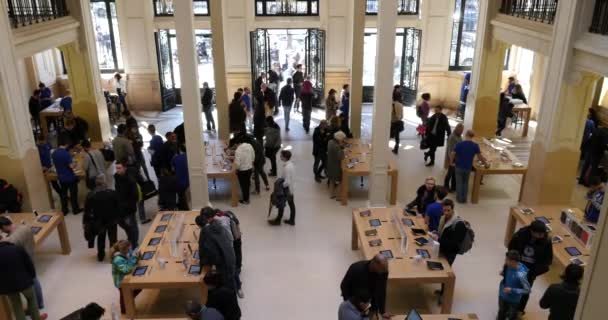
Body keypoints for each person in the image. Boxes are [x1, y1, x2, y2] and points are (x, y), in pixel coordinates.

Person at [508, 220, 553, 313]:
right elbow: (511, 248)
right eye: (539, 234)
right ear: (532, 231)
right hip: (516, 268)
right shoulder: (520, 235)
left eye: (543, 234)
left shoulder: (546, 241)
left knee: (525, 292)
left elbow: (547, 260)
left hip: (531, 272)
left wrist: (535, 272)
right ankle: (508, 308)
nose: (542, 236)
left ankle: (520, 310)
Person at [0, 216, 45, 309]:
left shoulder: (12, 239)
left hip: (22, 262)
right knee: (35, 279)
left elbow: (7, 245)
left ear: (3, 227)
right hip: (30, 255)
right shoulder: (25, 227)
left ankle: (35, 306)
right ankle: (40, 303)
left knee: (31, 283)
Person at [0, 241, 48, 320]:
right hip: (24, 282)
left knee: (16, 305)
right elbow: (28, 263)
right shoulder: (16, 248)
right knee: (31, 299)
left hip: (8, 287)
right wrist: (32, 275)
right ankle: (36, 318)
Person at [431, 199, 466, 300]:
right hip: (443, 248)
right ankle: (442, 292)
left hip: (450, 252)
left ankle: (445, 297)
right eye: (444, 210)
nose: (446, 213)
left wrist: (439, 239)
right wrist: (436, 234)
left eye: (448, 210)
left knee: (446, 273)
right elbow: (441, 232)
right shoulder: (443, 218)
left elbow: (454, 244)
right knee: (443, 273)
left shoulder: (459, 224)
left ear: (453, 209)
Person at [196, 208, 237, 291]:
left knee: (226, 284)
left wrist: (202, 266)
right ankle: (234, 288)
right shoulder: (217, 224)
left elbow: (210, 252)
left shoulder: (206, 231)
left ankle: (229, 294)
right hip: (230, 255)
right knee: (230, 277)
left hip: (224, 261)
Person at [340, 255, 391, 319]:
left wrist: (382, 311)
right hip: (352, 301)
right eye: (381, 270)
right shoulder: (356, 268)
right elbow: (344, 286)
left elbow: (382, 290)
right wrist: (354, 303)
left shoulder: (383, 271)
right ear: (374, 264)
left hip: (368, 302)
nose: (382, 272)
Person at [83, 176, 119, 262]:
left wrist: (85, 222)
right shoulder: (112, 193)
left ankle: (100, 255)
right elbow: (118, 206)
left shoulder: (91, 195)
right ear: (104, 183)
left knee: (101, 238)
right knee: (113, 238)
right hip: (112, 219)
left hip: (98, 221)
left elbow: (87, 211)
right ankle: (113, 256)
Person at [451, 130, 487, 203]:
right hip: (468, 167)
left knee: (459, 183)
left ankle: (460, 199)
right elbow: (480, 156)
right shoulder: (475, 145)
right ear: (472, 136)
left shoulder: (459, 144)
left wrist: (451, 162)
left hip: (459, 166)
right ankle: (464, 198)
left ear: (466, 135)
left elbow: (453, 153)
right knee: (465, 183)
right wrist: (486, 164)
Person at [52, 136, 82, 215]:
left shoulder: (54, 153)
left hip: (61, 177)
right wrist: (75, 163)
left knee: (63, 194)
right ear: (66, 144)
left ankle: (64, 210)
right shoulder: (65, 153)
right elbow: (71, 166)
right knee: (73, 194)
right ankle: (75, 209)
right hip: (70, 177)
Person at [497, 250, 530, 320]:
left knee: (512, 316)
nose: (505, 261)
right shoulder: (507, 266)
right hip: (502, 295)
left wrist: (512, 290)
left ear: (513, 262)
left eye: (507, 260)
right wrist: (503, 274)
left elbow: (527, 290)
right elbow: (508, 277)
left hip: (513, 300)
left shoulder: (521, 274)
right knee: (501, 313)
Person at [114, 162, 140, 247]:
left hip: (129, 208)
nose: (117, 170)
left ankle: (134, 242)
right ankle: (130, 237)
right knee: (121, 223)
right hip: (120, 207)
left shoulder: (130, 180)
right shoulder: (116, 177)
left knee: (131, 225)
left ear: (125, 168)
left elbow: (135, 195)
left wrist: (128, 204)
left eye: (119, 168)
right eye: (117, 168)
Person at [111, 240, 140, 314]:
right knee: (123, 296)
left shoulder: (125, 254)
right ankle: (124, 310)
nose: (130, 250)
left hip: (125, 278)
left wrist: (137, 256)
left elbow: (132, 260)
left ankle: (128, 299)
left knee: (130, 292)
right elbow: (126, 270)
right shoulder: (118, 259)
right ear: (124, 249)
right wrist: (133, 258)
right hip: (121, 281)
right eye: (129, 249)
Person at [270, 150, 296, 226]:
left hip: (287, 189)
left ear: (284, 157)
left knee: (281, 203)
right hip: (291, 188)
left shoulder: (287, 167)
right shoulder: (290, 164)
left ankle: (278, 220)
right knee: (291, 204)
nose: (280, 157)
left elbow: (287, 181)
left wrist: (280, 186)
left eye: (281, 156)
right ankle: (292, 220)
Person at [233, 138, 255, 204]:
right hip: (249, 168)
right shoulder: (249, 146)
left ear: (236, 144)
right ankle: (247, 198)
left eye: (234, 145)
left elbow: (238, 164)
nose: (235, 147)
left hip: (242, 171)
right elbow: (253, 156)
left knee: (243, 186)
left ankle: (245, 200)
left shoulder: (238, 150)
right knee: (247, 184)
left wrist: (235, 169)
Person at [444, 123, 464, 192]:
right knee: (450, 173)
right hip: (453, 158)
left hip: (458, 158)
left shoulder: (459, 136)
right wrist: (451, 160)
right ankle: (446, 186)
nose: (462, 131)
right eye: (461, 130)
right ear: (457, 129)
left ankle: (453, 187)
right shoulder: (452, 137)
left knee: (455, 173)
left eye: (462, 130)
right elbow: (450, 150)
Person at [327, 131, 346, 200]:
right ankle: (338, 197)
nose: (343, 140)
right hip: (336, 166)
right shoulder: (336, 146)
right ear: (339, 138)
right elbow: (341, 157)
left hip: (330, 164)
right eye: (343, 138)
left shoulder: (330, 142)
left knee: (332, 180)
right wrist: (342, 148)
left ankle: (332, 194)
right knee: (340, 181)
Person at [172, 145, 190, 210]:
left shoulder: (175, 158)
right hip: (189, 180)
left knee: (181, 195)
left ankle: (183, 208)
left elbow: (173, 169)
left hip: (179, 180)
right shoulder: (189, 157)